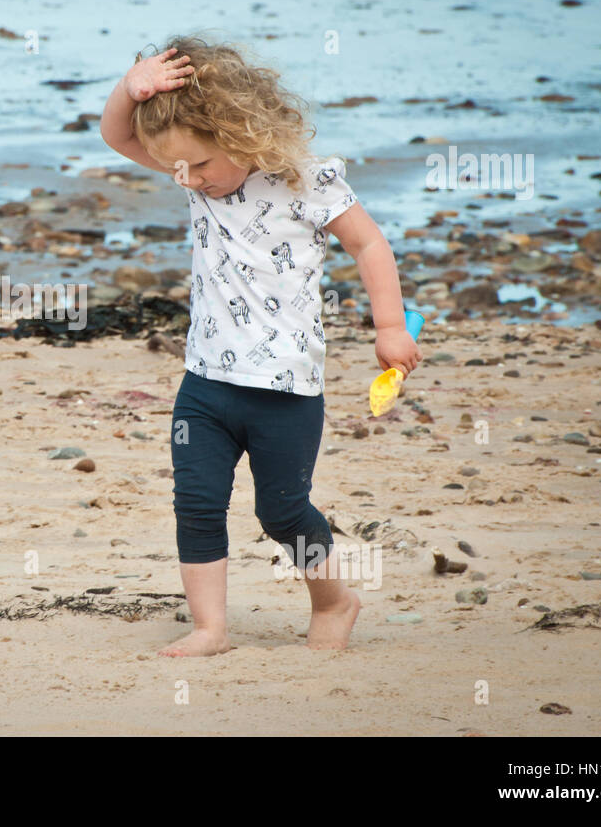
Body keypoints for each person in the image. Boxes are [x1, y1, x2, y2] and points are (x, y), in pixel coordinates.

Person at [98, 37, 422, 654]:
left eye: (198, 166)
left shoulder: (307, 182)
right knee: (195, 503)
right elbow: (118, 136)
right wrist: (130, 87)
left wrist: (389, 327)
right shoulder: (196, 177)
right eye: (178, 171)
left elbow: (370, 245)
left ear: (238, 135)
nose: (187, 180)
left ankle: (334, 601)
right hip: (206, 385)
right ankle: (210, 628)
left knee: (282, 514)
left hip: (286, 390)